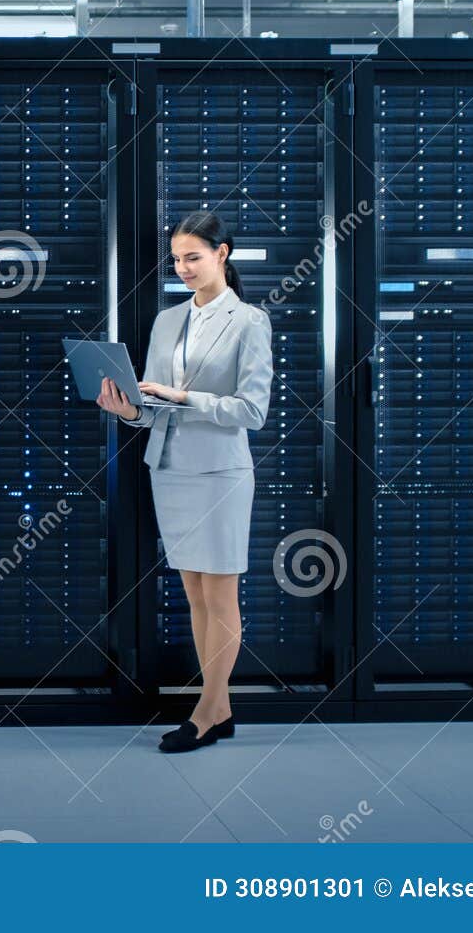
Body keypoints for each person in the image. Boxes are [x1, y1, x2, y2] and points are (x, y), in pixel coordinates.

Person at [95, 210, 274, 754]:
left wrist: (183, 397)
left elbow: (253, 410)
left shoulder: (249, 322)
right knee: (195, 595)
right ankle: (219, 709)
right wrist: (126, 410)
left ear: (223, 255)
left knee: (220, 594)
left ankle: (206, 710)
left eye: (193, 257)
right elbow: (153, 409)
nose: (183, 268)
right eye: (176, 259)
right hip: (169, 469)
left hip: (220, 472)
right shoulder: (167, 321)